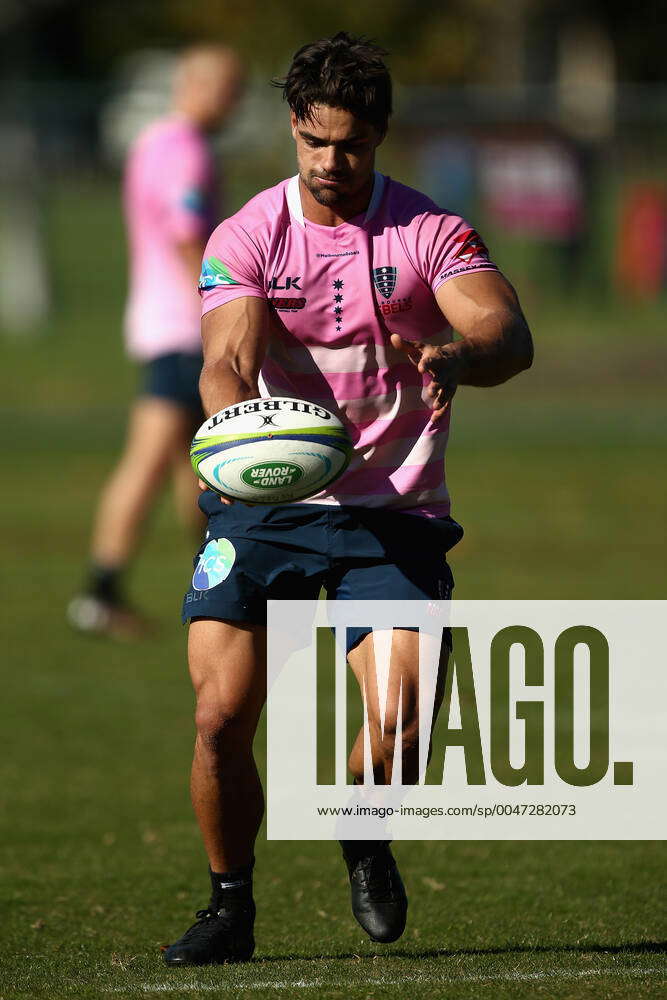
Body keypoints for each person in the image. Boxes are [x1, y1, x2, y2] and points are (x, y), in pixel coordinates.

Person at [164, 32, 533, 965]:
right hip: (266, 502)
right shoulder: (249, 232)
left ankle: (360, 829)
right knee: (219, 718)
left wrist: (458, 355)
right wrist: (239, 435)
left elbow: (506, 331)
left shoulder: (428, 231)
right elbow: (225, 360)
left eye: (353, 145)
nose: (332, 162)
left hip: (393, 510)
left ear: (381, 135)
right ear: (293, 125)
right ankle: (229, 905)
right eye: (316, 140)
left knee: (401, 723)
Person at [68, 44, 243, 639]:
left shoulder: (152, 143)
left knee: (197, 469)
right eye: (226, 88)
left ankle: (215, 583)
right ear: (193, 85)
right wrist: (221, 305)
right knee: (156, 461)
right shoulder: (186, 150)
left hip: (162, 322)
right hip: (185, 327)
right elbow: (186, 233)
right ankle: (101, 591)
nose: (233, 102)